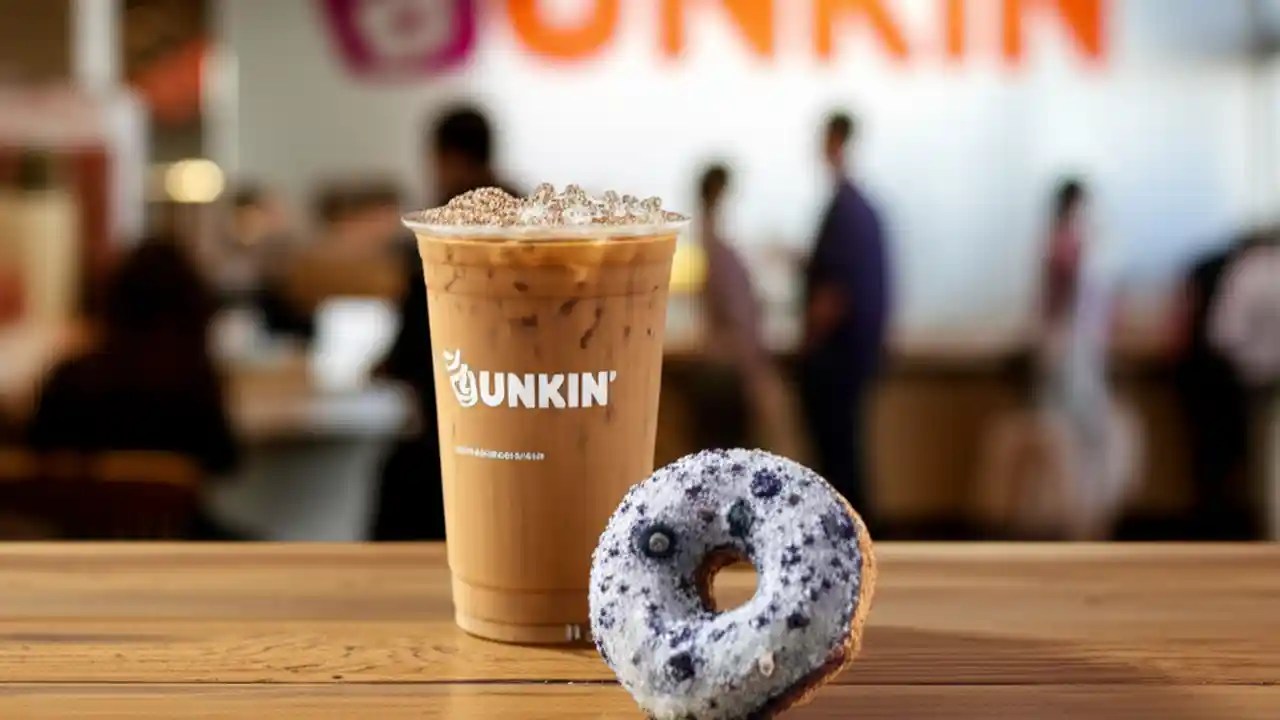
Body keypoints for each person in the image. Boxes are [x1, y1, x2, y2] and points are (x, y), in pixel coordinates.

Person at [372, 105, 518, 540]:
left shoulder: (446, 231)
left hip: (454, 426)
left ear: (447, 157)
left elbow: (421, 335)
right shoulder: (532, 220)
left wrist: (382, 369)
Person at [27, 238, 238, 477]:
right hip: (172, 514)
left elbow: (36, 458)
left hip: (80, 514)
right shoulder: (195, 385)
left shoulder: (71, 378)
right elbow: (224, 462)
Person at [798, 111, 891, 518]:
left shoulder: (846, 212)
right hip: (852, 357)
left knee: (838, 457)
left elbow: (834, 294)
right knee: (846, 453)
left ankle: (847, 541)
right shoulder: (858, 209)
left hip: (836, 360)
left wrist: (810, 344)